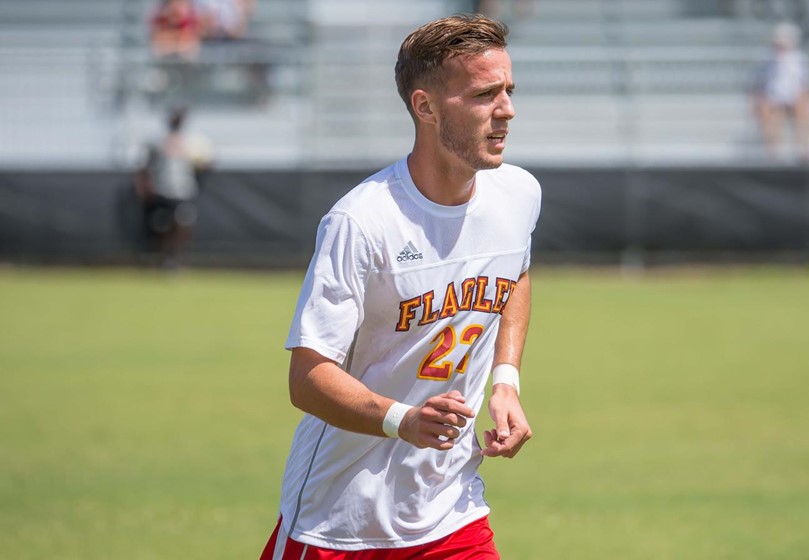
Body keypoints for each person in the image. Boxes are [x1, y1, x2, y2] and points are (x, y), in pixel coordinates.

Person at [259, 14, 540, 560]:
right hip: (337, 522)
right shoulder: (361, 222)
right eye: (485, 94)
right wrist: (403, 419)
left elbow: (516, 274)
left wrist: (506, 380)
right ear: (426, 107)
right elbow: (307, 379)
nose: (506, 109)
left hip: (452, 513)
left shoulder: (519, 194)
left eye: (509, 90)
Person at [133, 107, 213, 267]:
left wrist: (203, 164)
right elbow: (144, 166)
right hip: (162, 191)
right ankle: (161, 256)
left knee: (184, 222)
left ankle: (176, 256)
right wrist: (143, 187)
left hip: (183, 191)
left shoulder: (192, 141)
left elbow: (206, 162)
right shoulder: (157, 141)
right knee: (160, 224)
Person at [750, 22, 809, 162]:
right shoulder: (766, 60)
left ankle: (803, 152)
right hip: (773, 98)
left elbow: (806, 84)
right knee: (768, 112)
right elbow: (759, 85)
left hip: (794, 98)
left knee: (804, 109)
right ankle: (773, 155)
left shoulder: (800, 59)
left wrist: (801, 97)